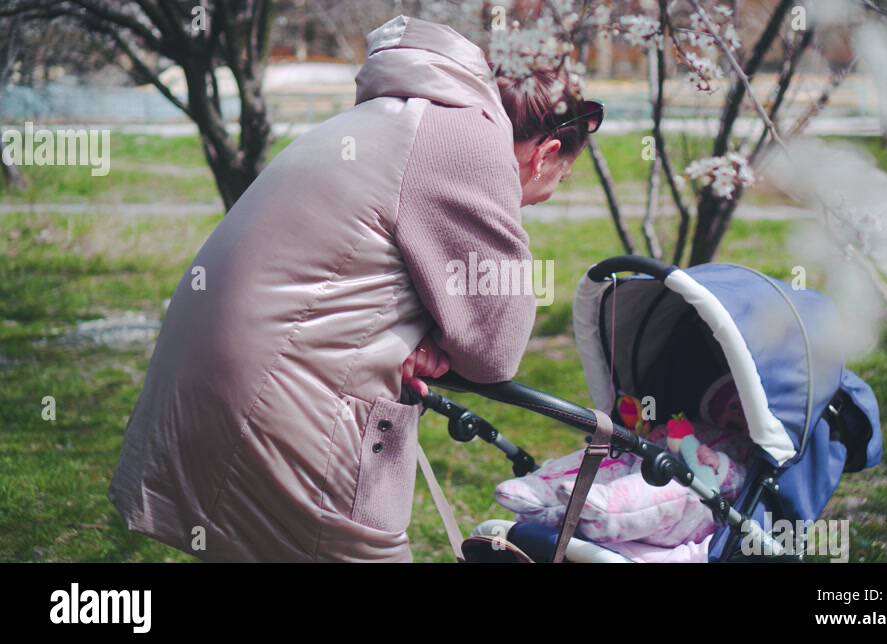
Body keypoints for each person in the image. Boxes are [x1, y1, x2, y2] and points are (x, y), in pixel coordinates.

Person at [108, 15, 603, 562]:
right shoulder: (468, 143)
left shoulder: (390, 116)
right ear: (547, 153)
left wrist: (438, 340)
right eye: (564, 176)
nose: (550, 194)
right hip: (287, 399)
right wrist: (449, 340)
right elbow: (495, 347)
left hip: (210, 377)